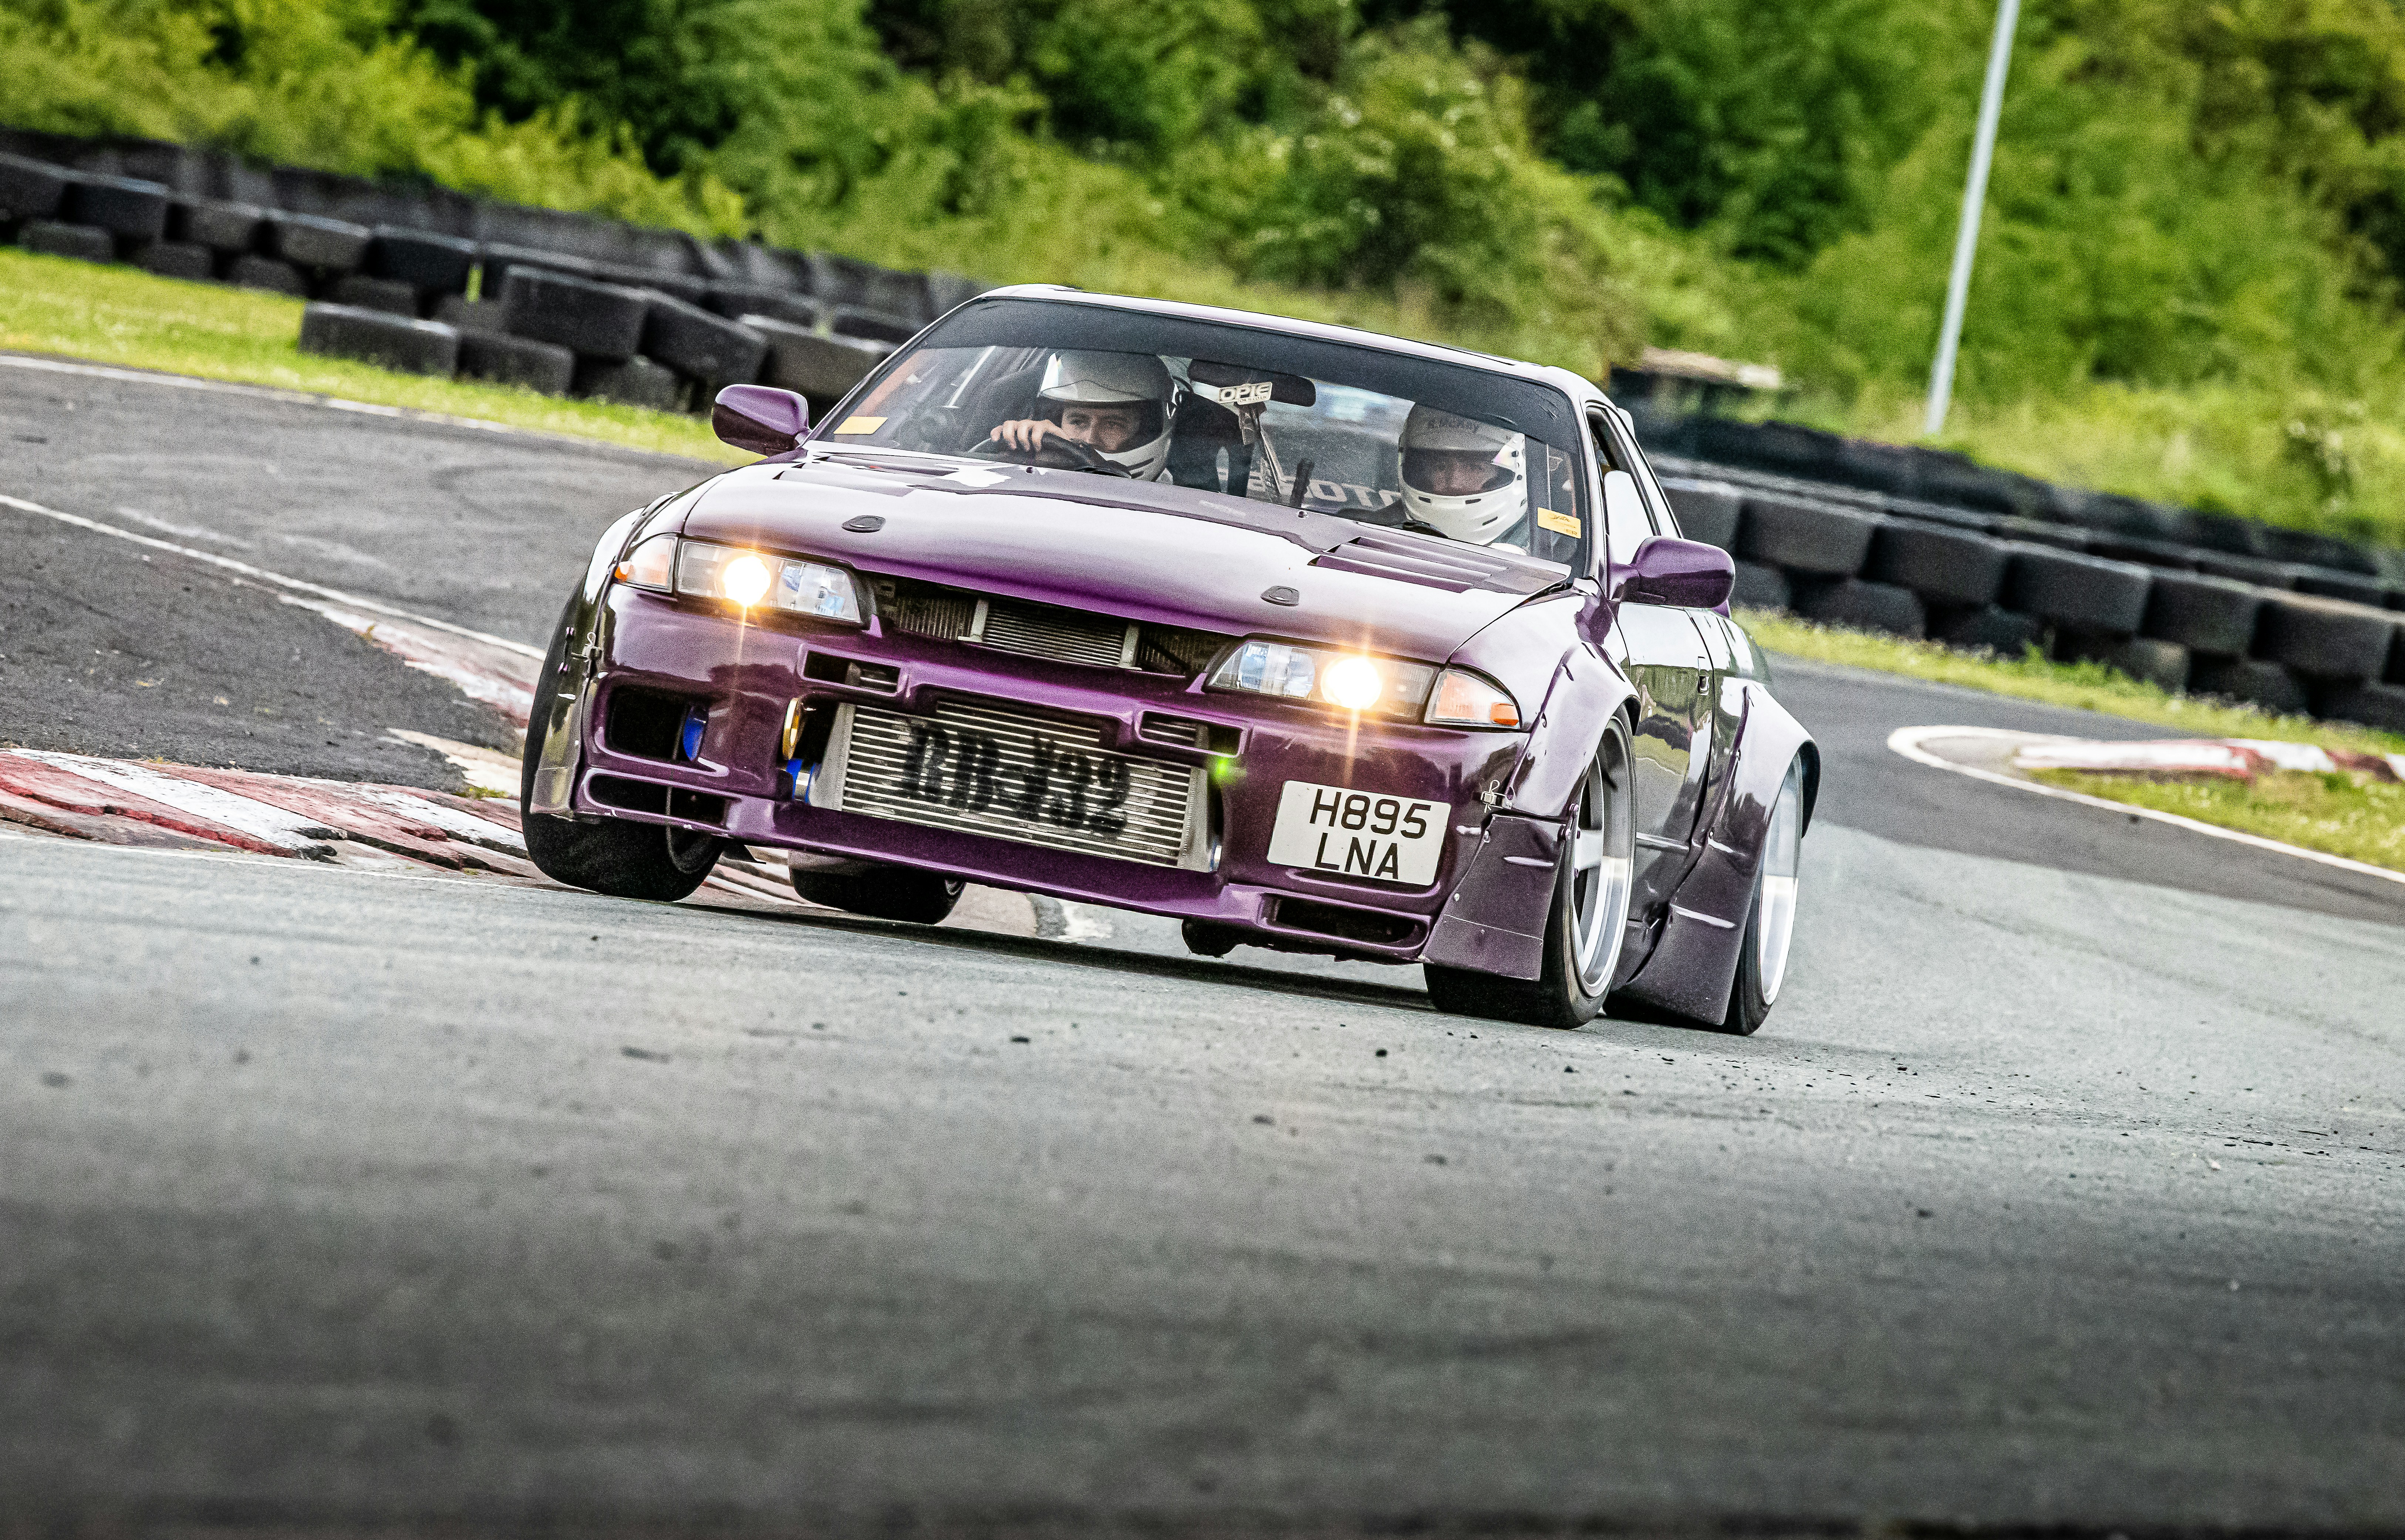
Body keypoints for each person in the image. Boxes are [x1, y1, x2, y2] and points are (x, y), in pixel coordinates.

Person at [989, 351, 1176, 479]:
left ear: (1146, 431)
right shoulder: (1038, 471)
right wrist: (1019, 450)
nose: (1090, 438)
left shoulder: (1175, 504)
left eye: (1113, 425)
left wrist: (1097, 466)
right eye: (1077, 421)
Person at [1392, 404, 1526, 545]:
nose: (1454, 482)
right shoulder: (1381, 534)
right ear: (1419, 471)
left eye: (1473, 467)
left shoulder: (1539, 546)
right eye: (1439, 466)